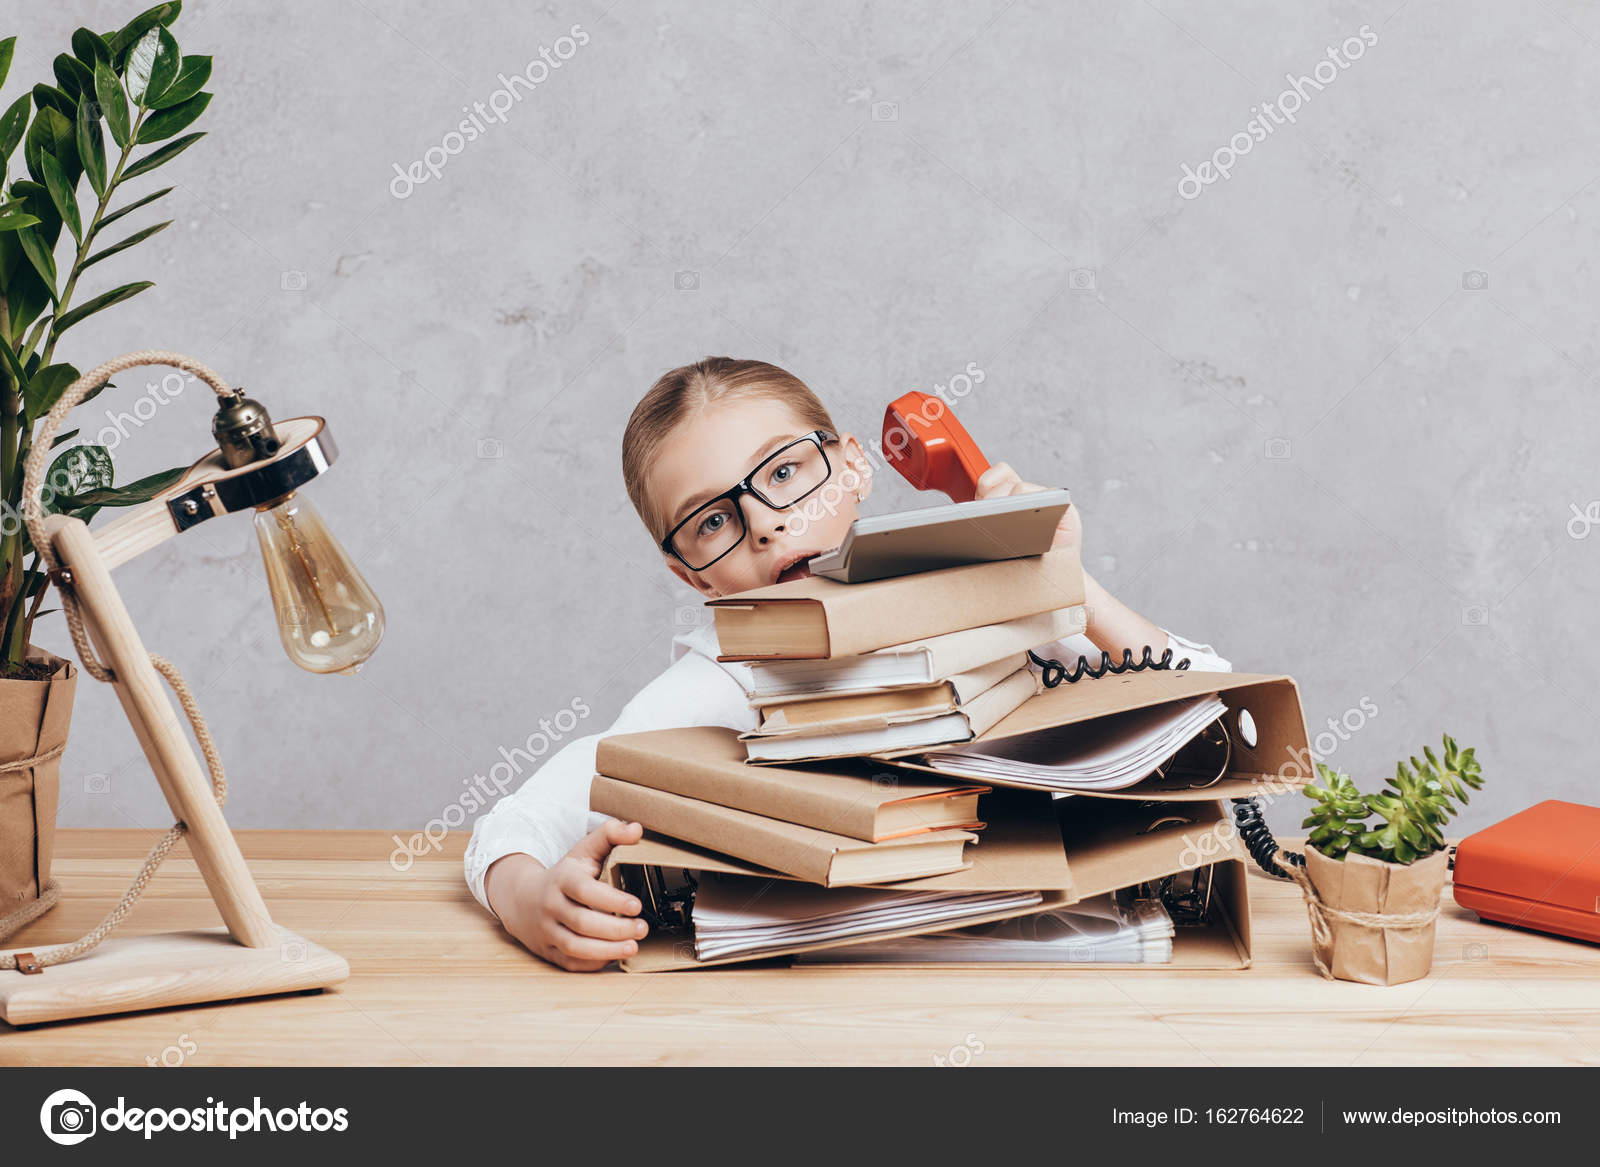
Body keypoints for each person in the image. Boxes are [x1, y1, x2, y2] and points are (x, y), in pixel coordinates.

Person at [464, 357, 1231, 969]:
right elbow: (512, 826)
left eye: (785, 473)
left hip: (1051, 966)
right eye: (713, 521)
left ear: (855, 467)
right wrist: (532, 902)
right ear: (690, 575)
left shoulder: (994, 611)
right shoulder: (712, 689)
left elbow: (1214, 709)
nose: (766, 524)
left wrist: (1064, 580)